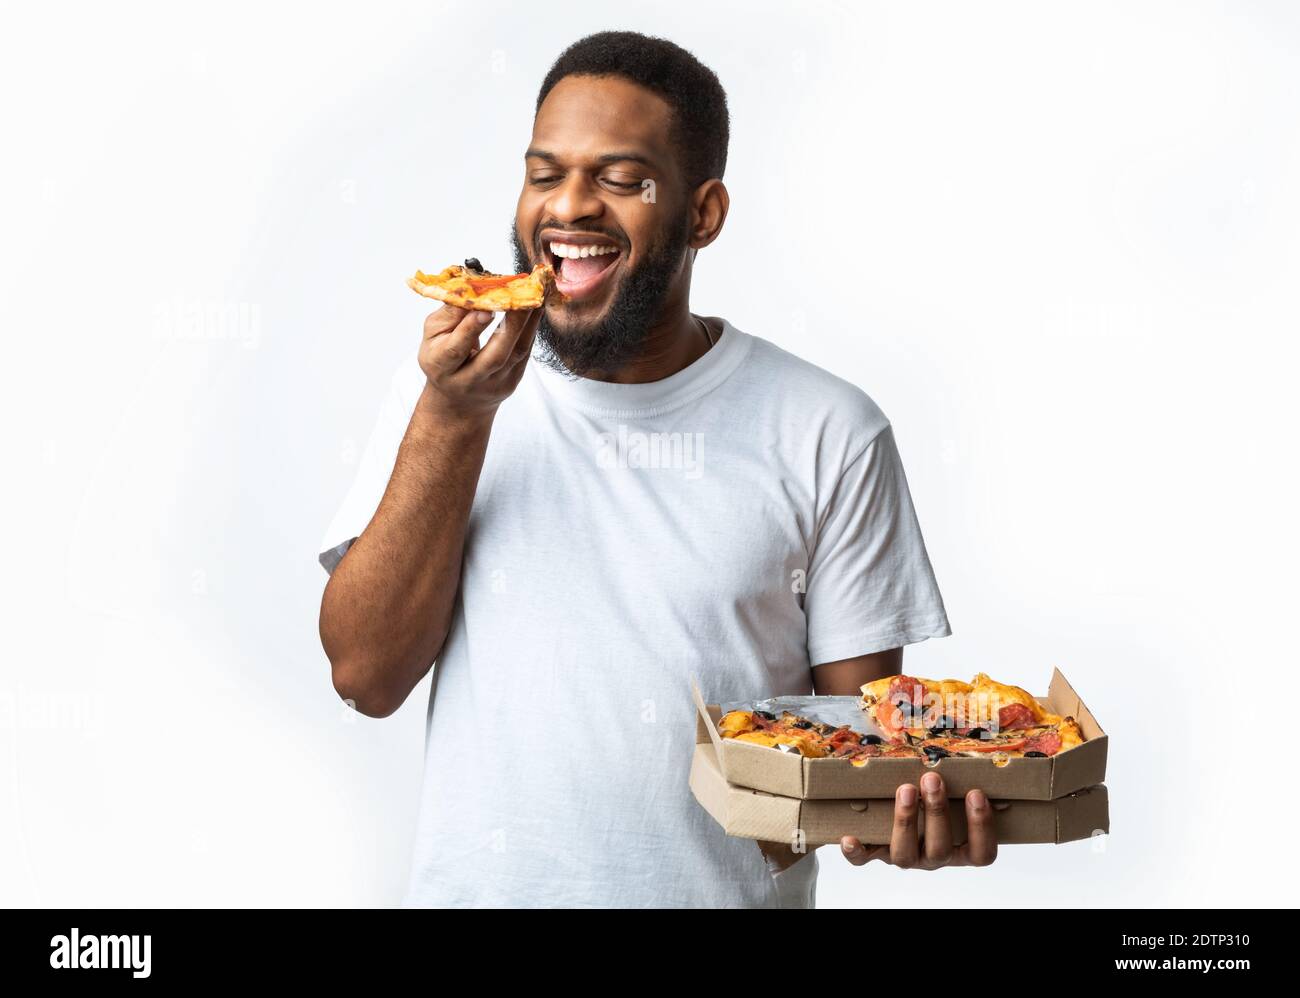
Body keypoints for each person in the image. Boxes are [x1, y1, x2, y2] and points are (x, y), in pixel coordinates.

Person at [317, 30, 997, 909]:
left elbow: (863, 758)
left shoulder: (830, 430)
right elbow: (365, 678)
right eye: (544, 173)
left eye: (620, 179)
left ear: (704, 213)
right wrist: (455, 415)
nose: (568, 210)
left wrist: (912, 812)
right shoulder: (451, 391)